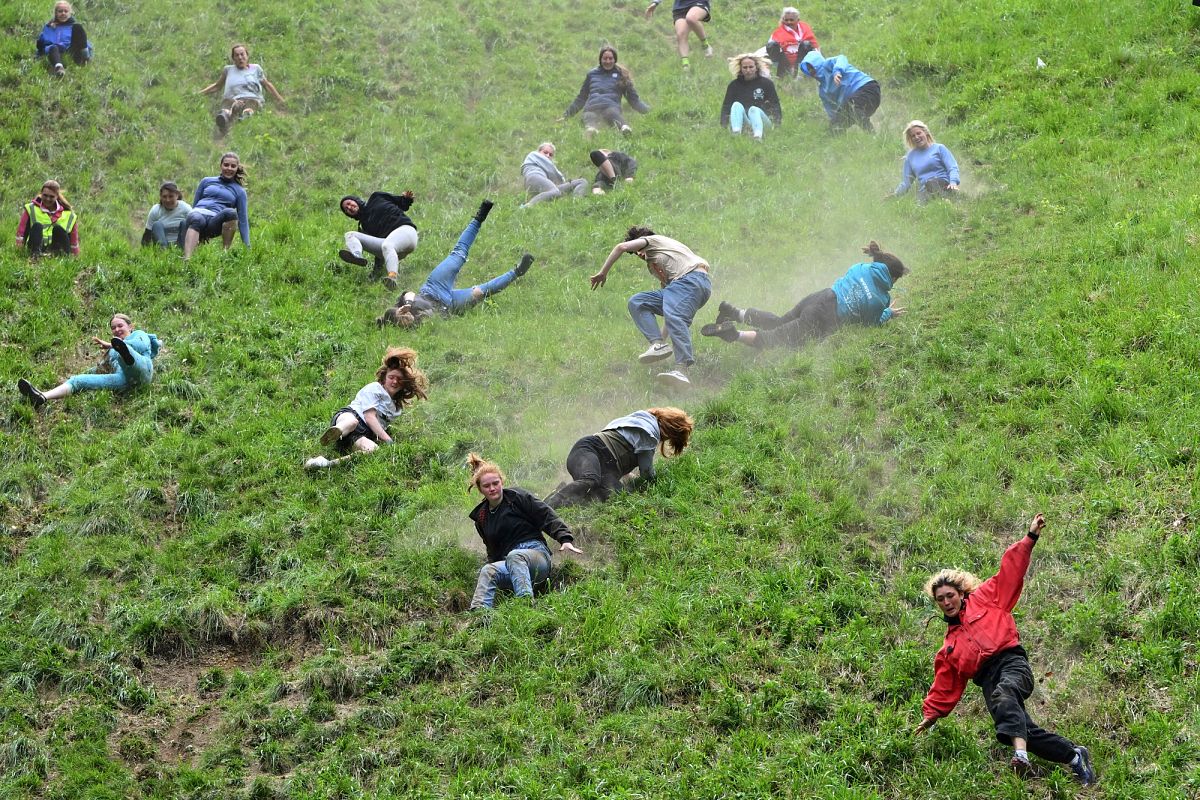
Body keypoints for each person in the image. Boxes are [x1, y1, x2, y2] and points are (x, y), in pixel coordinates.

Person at [915, 514, 1097, 786]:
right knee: (1024, 729)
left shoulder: (987, 597)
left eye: (950, 595)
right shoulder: (949, 646)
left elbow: (1010, 570)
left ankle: (1020, 756)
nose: (946, 601)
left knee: (1006, 694)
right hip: (988, 681)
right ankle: (1073, 756)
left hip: (1012, 664)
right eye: (940, 599)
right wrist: (931, 714)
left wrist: (1030, 537)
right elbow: (945, 684)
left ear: (961, 592)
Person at [701, 241, 906, 349]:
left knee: (780, 322)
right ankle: (733, 334)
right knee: (779, 339)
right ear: (894, 278)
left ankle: (735, 312)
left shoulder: (861, 267)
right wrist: (888, 313)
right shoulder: (881, 300)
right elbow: (870, 322)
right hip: (826, 318)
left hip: (820, 297)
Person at [376, 201, 534, 328]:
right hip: (450, 303)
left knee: (458, 255)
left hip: (434, 287)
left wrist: (408, 305)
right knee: (481, 292)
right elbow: (433, 319)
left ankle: (478, 218)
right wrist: (419, 320)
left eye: (402, 316)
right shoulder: (416, 325)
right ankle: (518, 272)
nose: (406, 318)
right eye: (403, 321)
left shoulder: (404, 304)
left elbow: (408, 293)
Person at [590, 227, 713, 388]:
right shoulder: (667, 259)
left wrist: (602, 273)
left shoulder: (652, 241)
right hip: (693, 285)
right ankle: (658, 345)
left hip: (690, 281)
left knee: (675, 316)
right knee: (638, 302)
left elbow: (620, 247)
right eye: (636, 254)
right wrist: (660, 342)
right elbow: (671, 317)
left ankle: (682, 369)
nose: (639, 254)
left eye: (638, 249)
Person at [466, 453, 582, 610]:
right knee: (488, 570)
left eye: (496, 483)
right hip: (511, 565)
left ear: (502, 482)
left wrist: (565, 539)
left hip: (536, 558)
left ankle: (525, 606)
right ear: (480, 490)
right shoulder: (482, 517)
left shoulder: (516, 497)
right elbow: (492, 551)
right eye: (487, 486)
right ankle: (479, 615)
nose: (492, 488)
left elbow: (545, 515)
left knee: (515, 556)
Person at [304, 347, 428, 469]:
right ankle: (337, 431)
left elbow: (381, 424)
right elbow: (369, 417)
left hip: (360, 434)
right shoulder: (375, 388)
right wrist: (388, 440)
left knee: (372, 450)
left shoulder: (396, 408)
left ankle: (326, 464)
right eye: (391, 377)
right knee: (352, 422)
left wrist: (379, 436)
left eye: (399, 380)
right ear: (384, 377)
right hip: (351, 415)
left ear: (403, 384)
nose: (394, 382)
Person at [545, 407, 694, 508]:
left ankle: (563, 492)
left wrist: (627, 475)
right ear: (673, 431)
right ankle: (548, 506)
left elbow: (622, 450)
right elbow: (647, 474)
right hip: (589, 450)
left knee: (613, 495)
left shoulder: (641, 418)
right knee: (590, 480)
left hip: (601, 462)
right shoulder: (649, 433)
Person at [17, 314, 160, 408]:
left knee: (126, 352)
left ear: (130, 326)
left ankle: (126, 354)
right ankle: (42, 397)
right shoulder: (112, 350)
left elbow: (141, 345)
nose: (116, 329)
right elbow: (101, 370)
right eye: (113, 328)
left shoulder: (139, 334)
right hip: (123, 381)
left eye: (120, 325)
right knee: (79, 380)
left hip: (142, 371)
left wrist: (112, 346)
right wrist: (79, 377)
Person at [338, 190, 418, 290]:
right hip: (392, 250)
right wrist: (376, 272)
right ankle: (357, 256)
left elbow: (401, 203)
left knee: (387, 245)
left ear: (355, 200)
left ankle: (392, 277)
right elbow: (378, 250)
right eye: (346, 209)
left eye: (349, 203)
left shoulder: (377, 197)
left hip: (406, 232)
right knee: (350, 235)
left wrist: (406, 199)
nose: (349, 207)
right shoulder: (364, 226)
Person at [563, 46, 650, 137]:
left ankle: (625, 128)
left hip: (611, 106)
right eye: (605, 58)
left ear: (615, 60)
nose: (608, 61)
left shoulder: (621, 74)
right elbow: (581, 98)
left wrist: (649, 112)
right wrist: (566, 115)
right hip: (591, 108)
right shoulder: (592, 74)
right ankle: (592, 131)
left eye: (610, 58)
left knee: (612, 113)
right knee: (589, 116)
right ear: (600, 59)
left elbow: (634, 100)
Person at [200, 44, 286, 135]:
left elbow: (267, 85)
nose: (240, 57)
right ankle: (224, 119)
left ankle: (245, 117)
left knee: (251, 104)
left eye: (242, 54)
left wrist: (280, 100)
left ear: (247, 56)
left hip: (252, 98)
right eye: (236, 55)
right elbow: (217, 86)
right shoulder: (228, 70)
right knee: (227, 104)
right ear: (233, 59)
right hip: (233, 99)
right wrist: (199, 94)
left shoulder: (256, 68)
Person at [183, 152, 249, 259]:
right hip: (198, 215)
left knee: (231, 212)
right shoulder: (206, 181)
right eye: (226, 165)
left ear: (237, 168)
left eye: (233, 166)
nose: (229, 168)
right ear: (221, 166)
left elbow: (243, 221)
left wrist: (247, 246)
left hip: (215, 221)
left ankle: (224, 254)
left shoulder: (239, 191)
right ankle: (187, 259)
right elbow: (195, 205)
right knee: (196, 217)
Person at [799, 50, 880, 132]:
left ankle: (872, 134)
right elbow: (833, 112)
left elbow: (842, 58)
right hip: (857, 104)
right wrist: (835, 121)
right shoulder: (823, 91)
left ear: (817, 63)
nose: (811, 71)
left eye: (812, 67)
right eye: (808, 69)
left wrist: (837, 71)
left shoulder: (828, 64)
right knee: (835, 126)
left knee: (852, 106)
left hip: (868, 88)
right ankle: (842, 143)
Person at [892, 120, 961, 204]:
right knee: (919, 206)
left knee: (931, 183)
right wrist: (894, 195)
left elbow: (952, 167)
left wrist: (953, 182)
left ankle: (946, 201)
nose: (916, 137)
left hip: (943, 185)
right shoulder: (910, 157)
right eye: (913, 136)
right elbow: (906, 182)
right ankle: (940, 203)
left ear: (925, 133)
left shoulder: (939, 148)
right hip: (925, 191)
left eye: (918, 133)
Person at [719, 54, 782, 140]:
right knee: (736, 105)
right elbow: (726, 106)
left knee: (753, 109)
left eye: (751, 67)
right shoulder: (733, 85)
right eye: (745, 67)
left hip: (763, 121)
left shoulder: (767, 84)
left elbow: (775, 104)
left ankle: (758, 136)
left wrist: (777, 124)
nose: (748, 70)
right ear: (740, 69)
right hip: (746, 122)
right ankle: (736, 133)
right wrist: (724, 125)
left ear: (756, 67)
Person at [15, 180, 78, 258]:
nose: (48, 199)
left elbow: (74, 241)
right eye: (45, 195)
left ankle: (59, 256)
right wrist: (19, 252)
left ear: (57, 196)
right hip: (36, 246)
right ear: (41, 194)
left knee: (58, 229)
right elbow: (21, 233)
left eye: (51, 197)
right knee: (37, 226)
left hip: (58, 248)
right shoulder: (31, 208)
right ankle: (35, 256)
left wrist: (75, 258)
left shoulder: (69, 215)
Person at [645, 0, 713, 69]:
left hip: (698, 2)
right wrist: (655, 3)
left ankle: (706, 46)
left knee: (691, 18)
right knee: (681, 34)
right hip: (680, 6)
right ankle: (686, 67)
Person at [520, 143, 587, 207]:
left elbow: (555, 178)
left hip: (545, 185)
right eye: (545, 152)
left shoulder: (549, 168)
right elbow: (555, 174)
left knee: (582, 181)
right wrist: (562, 180)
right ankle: (527, 207)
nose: (548, 155)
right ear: (539, 151)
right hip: (534, 177)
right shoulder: (533, 155)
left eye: (551, 155)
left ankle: (577, 203)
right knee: (555, 192)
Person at [36, 1, 91, 76]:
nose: (63, 13)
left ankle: (85, 59)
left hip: (72, 51)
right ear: (56, 13)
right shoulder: (49, 27)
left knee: (78, 27)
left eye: (66, 11)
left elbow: (84, 43)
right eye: (60, 11)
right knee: (53, 47)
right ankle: (59, 68)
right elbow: (42, 43)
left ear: (70, 13)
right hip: (57, 51)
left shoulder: (73, 27)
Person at [765, 7, 818, 78]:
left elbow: (814, 47)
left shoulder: (805, 28)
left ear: (798, 20)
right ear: (783, 20)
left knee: (806, 44)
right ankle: (776, 73)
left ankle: (802, 72)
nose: (789, 22)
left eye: (791, 20)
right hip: (784, 62)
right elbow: (769, 49)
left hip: (801, 60)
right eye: (786, 20)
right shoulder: (778, 32)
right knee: (772, 45)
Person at [141, 182, 192, 249]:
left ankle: (183, 251)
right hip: (163, 245)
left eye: (171, 196)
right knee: (157, 224)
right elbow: (147, 234)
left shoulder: (186, 208)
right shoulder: (155, 210)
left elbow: (195, 230)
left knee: (185, 223)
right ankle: (163, 252)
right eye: (164, 197)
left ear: (177, 195)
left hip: (181, 245)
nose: (168, 200)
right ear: (161, 197)